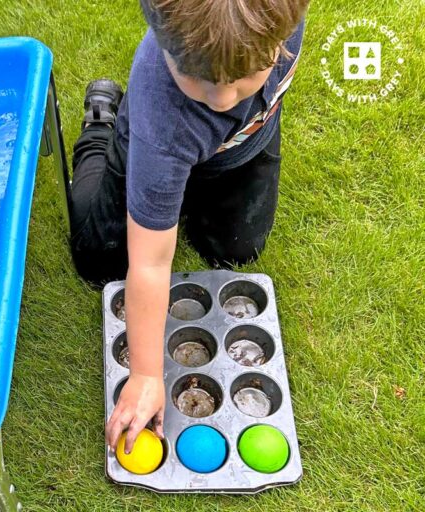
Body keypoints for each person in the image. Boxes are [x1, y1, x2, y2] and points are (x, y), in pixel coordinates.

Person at [68, 0, 309, 454]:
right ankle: (99, 131)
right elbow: (151, 262)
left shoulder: (279, 13)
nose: (220, 99)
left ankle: (187, 187)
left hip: (241, 147)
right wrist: (144, 373)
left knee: (236, 254)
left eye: (245, 77)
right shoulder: (164, 116)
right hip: (156, 150)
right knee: (99, 260)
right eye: (196, 78)